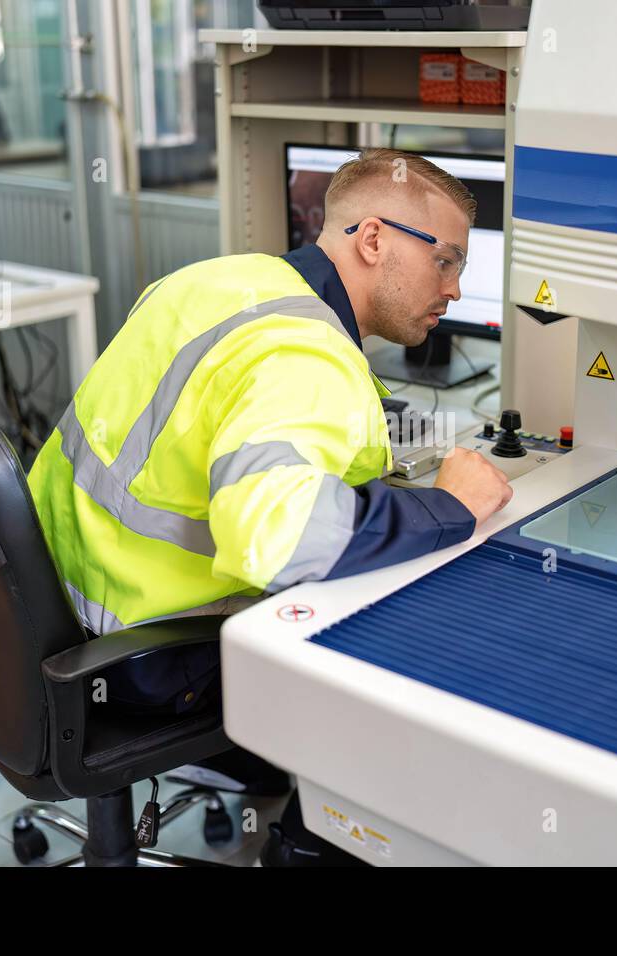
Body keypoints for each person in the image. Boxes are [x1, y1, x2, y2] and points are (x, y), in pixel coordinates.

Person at [27, 148, 511, 713]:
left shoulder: (215, 279)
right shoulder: (308, 354)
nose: (454, 289)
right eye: (445, 261)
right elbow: (278, 543)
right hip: (146, 650)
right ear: (374, 240)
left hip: (55, 601)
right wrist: (448, 507)